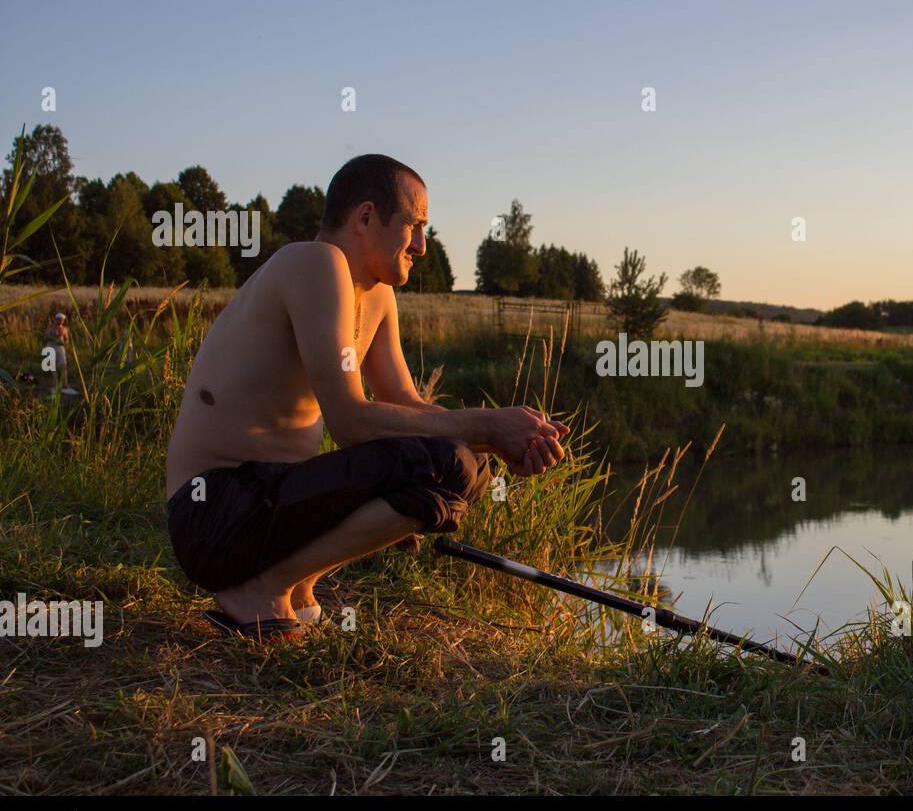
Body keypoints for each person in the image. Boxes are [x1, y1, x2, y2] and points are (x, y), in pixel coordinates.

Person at [164, 154, 569, 639]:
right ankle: (261, 586)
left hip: (271, 499)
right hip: (215, 513)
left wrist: (498, 443)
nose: (422, 245)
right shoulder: (314, 263)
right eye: (414, 226)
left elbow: (405, 402)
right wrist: (486, 425)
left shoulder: (375, 294)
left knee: (466, 465)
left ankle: (296, 583)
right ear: (365, 217)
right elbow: (351, 423)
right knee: (444, 462)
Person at [41, 312, 77, 395]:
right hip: (51, 346)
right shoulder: (50, 328)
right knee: (52, 366)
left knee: (63, 364)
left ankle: (65, 383)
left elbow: (66, 340)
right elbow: (45, 336)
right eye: (59, 320)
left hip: (60, 348)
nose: (61, 321)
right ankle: (56, 384)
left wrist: (64, 342)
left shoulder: (64, 329)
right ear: (55, 319)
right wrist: (53, 338)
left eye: (62, 320)